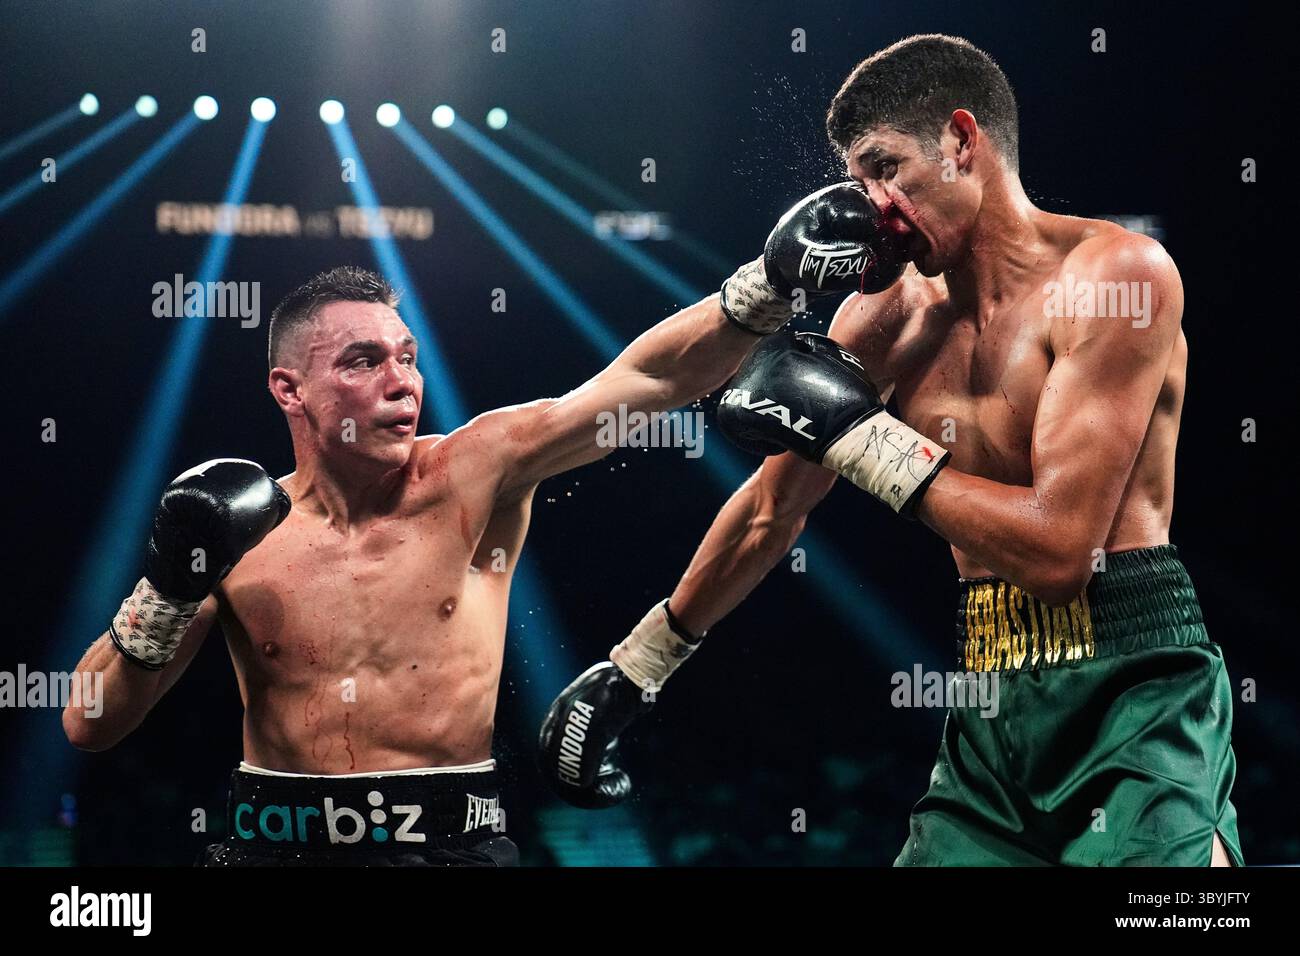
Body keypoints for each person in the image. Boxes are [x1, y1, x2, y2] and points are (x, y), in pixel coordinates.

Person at [538, 34, 1243, 867]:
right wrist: (641, 664)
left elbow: (1060, 551)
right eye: (856, 181)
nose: (869, 206)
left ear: (960, 140)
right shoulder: (884, 320)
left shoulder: (1117, 275)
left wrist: (861, 437)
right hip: (990, 694)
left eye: (884, 168)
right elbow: (771, 509)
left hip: (1136, 682)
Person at [60, 175, 905, 866]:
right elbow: (90, 723)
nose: (402, 382)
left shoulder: (473, 469)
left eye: (408, 358)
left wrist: (764, 286)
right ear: (290, 390)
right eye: (363, 362)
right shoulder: (236, 527)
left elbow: (645, 383)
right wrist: (166, 592)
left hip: (455, 848)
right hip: (268, 848)